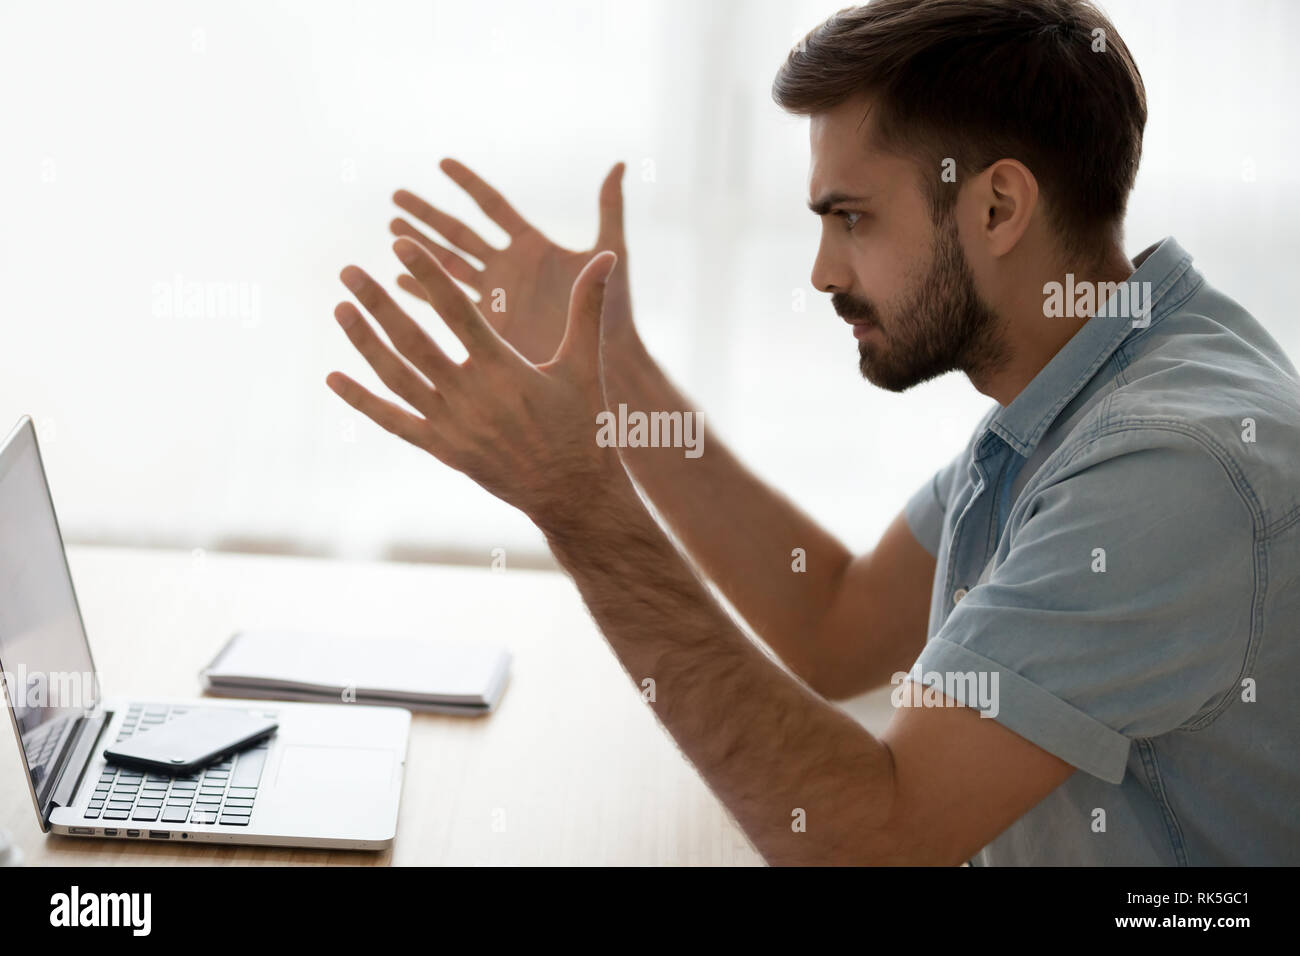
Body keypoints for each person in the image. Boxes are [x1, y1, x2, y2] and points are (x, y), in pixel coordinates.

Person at [324, 0, 1300, 865]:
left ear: (997, 205)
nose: (823, 270)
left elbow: (870, 838)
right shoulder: (1095, 379)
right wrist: (612, 365)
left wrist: (577, 502)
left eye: (853, 218)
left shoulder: (1167, 470)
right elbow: (835, 624)